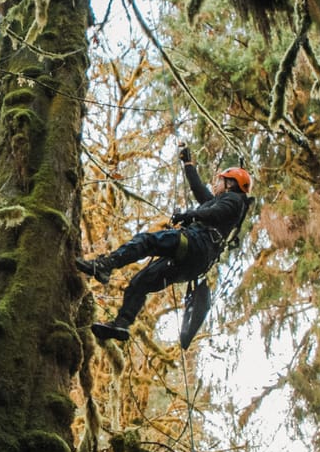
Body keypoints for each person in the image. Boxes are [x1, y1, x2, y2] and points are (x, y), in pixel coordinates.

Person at [76, 146, 252, 342]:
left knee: (147, 241)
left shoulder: (234, 200)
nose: (215, 184)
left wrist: (190, 215)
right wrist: (188, 164)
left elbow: (215, 213)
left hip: (196, 245)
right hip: (192, 263)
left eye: (219, 181)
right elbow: (198, 189)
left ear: (230, 184)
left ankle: (106, 265)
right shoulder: (217, 201)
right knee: (141, 281)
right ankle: (122, 324)